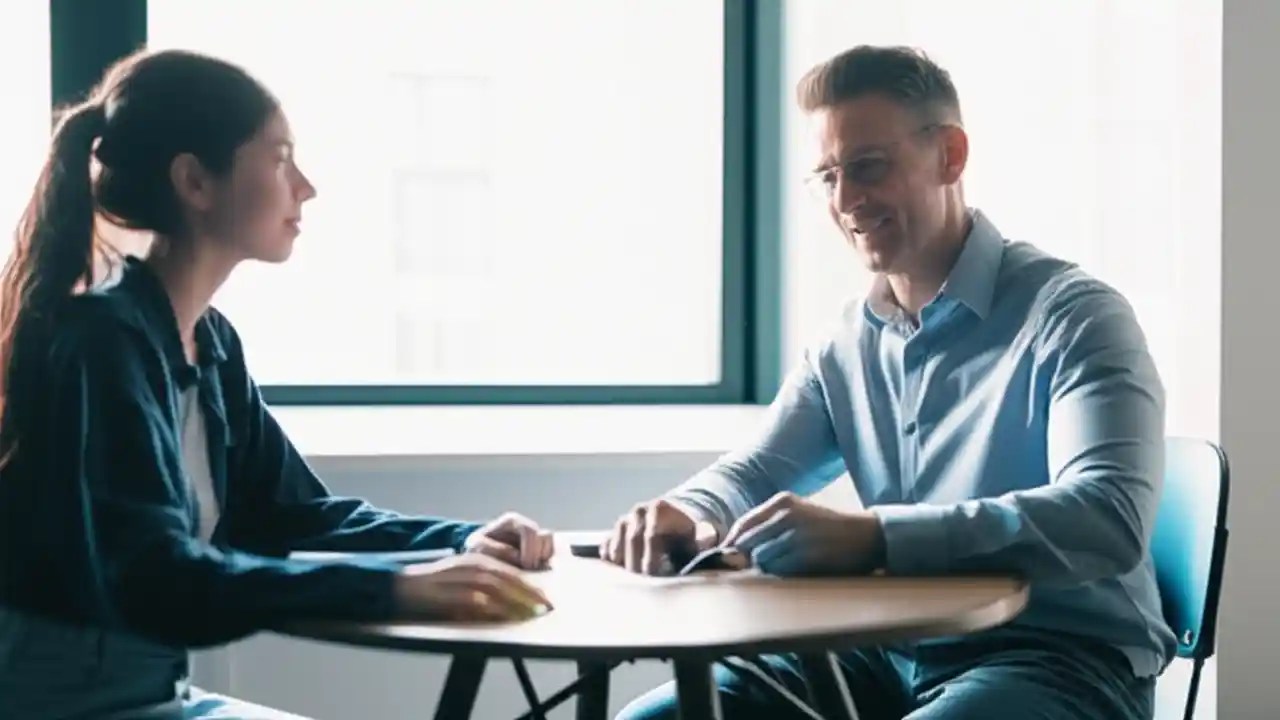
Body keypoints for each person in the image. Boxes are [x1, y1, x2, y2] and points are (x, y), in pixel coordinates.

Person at [604, 45, 1174, 720]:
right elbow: (756, 470)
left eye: (869, 168)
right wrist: (691, 511)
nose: (845, 201)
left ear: (950, 157)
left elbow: (1106, 517)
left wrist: (875, 538)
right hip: (889, 654)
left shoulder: (1076, 316)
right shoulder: (846, 342)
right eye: (827, 176)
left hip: (1058, 659)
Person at [0, 49, 556, 719]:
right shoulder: (103, 343)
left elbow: (291, 513)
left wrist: (461, 542)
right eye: (280, 157)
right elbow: (160, 580)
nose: (306, 186)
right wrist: (395, 588)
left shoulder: (209, 343)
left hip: (149, 698)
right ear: (195, 183)